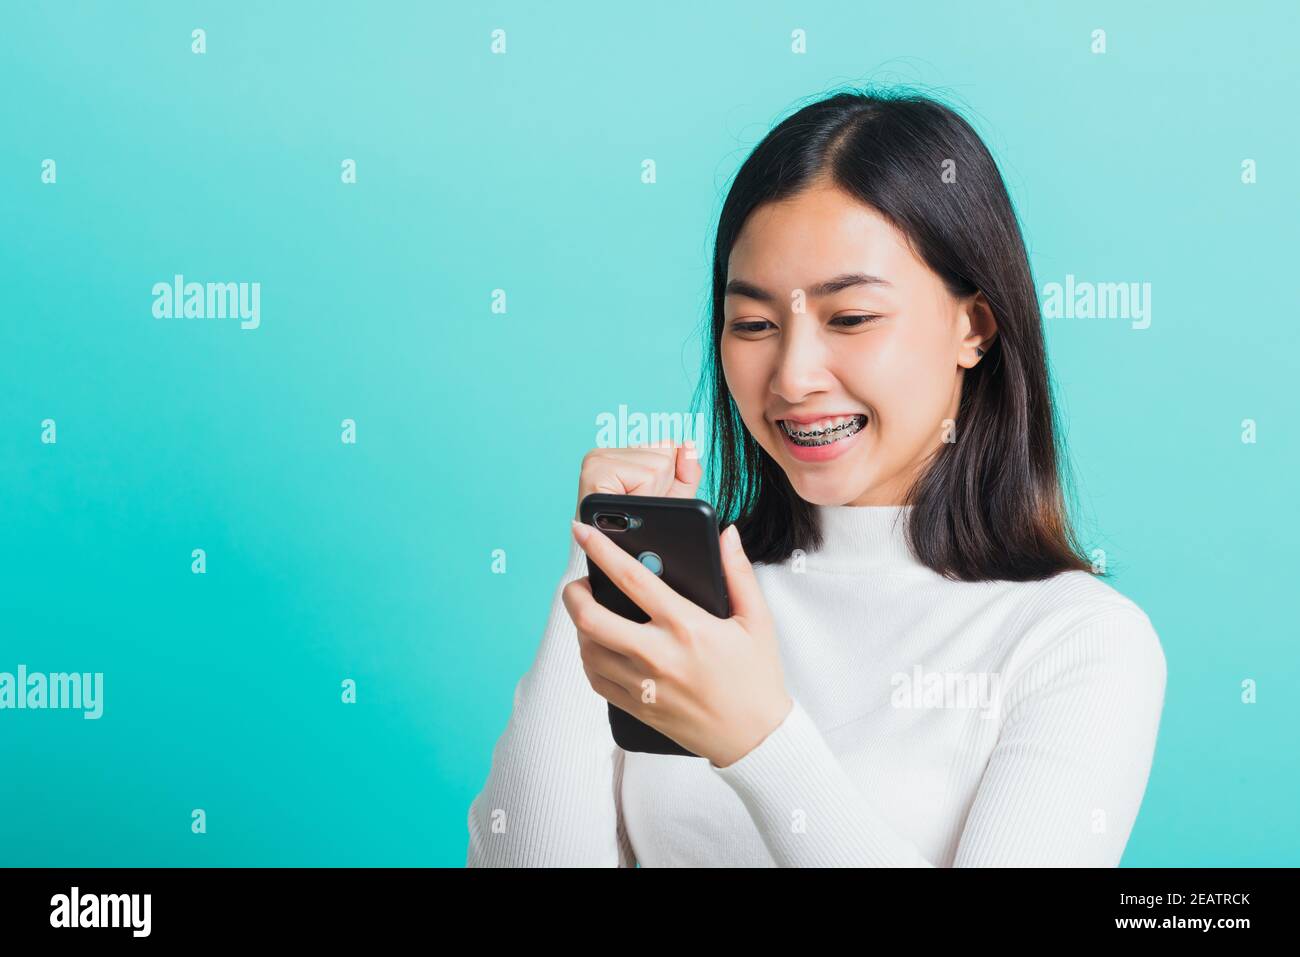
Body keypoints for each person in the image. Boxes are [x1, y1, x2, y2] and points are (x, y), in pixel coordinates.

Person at [466, 88, 1167, 867]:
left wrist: (759, 741)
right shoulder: (688, 596)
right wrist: (598, 565)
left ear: (973, 326)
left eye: (851, 318)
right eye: (754, 324)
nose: (793, 377)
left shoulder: (1077, 639)